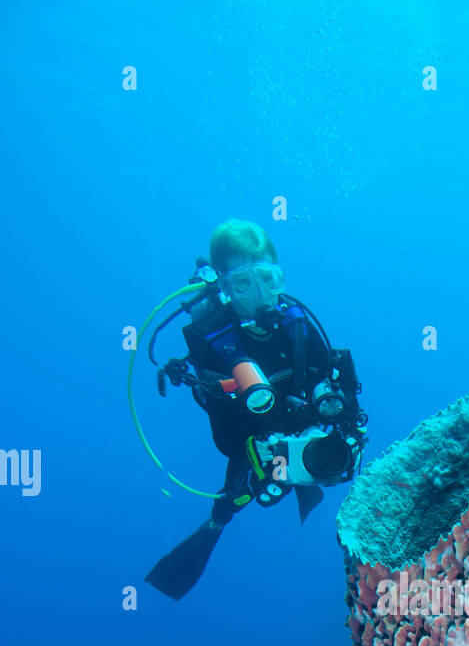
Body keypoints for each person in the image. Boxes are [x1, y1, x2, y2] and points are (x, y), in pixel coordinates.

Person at [145, 219, 367, 599]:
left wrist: (346, 425)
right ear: (225, 288)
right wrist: (260, 456)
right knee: (234, 498)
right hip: (248, 435)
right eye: (245, 283)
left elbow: (333, 390)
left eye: (269, 278)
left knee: (324, 460)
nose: (262, 294)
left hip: (300, 419)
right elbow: (227, 435)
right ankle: (214, 527)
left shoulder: (298, 324)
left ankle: (300, 476)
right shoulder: (212, 338)